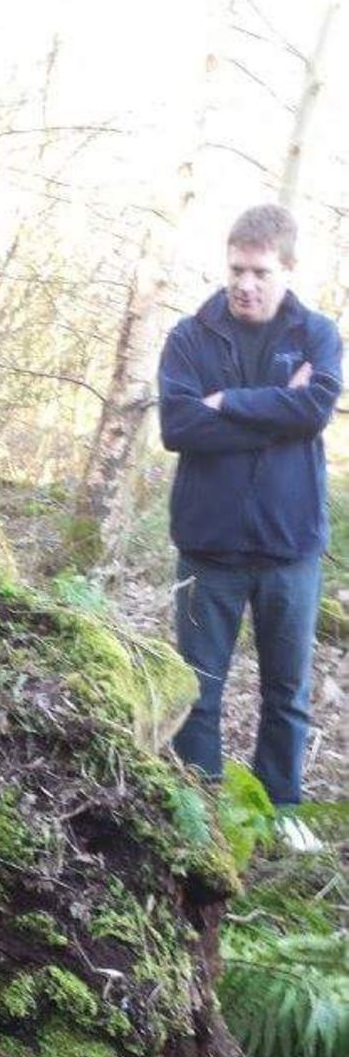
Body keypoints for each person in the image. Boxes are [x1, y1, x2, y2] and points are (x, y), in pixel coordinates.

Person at [159, 203, 342, 832]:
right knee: (199, 690)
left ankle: (280, 813)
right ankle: (200, 816)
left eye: (260, 272)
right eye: (237, 269)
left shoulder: (317, 334)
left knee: (286, 693)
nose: (245, 283)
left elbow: (314, 411)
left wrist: (228, 403)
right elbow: (178, 426)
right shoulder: (191, 336)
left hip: (290, 550)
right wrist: (277, 410)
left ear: (287, 269)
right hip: (208, 548)